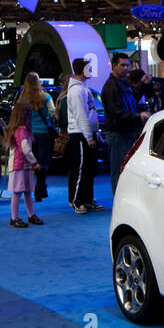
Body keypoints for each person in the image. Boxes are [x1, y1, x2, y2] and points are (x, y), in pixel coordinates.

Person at [101, 53, 149, 196]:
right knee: (118, 171)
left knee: (127, 170)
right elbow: (117, 113)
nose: (125, 68)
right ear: (114, 65)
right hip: (118, 134)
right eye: (122, 65)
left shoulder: (122, 83)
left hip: (127, 133)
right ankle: (119, 203)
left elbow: (132, 99)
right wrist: (138, 116)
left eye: (127, 65)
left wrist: (142, 85)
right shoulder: (110, 87)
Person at [65, 58, 102, 214]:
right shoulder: (76, 91)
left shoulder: (83, 88)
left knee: (88, 169)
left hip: (87, 134)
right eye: (89, 67)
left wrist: (94, 133)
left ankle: (87, 200)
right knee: (80, 170)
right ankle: (77, 201)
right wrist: (88, 136)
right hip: (80, 135)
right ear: (82, 69)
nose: (91, 70)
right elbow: (81, 115)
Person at [3, 88, 43, 228]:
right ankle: (15, 218)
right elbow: (25, 148)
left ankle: (30, 215)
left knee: (25, 191)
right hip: (20, 165)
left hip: (22, 165)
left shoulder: (16, 129)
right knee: (19, 192)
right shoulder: (22, 130)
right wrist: (35, 163)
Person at [22, 72, 57, 202]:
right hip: (44, 133)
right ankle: (41, 187)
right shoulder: (46, 97)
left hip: (30, 134)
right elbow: (53, 114)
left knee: (35, 162)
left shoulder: (23, 99)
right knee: (44, 161)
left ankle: (39, 187)